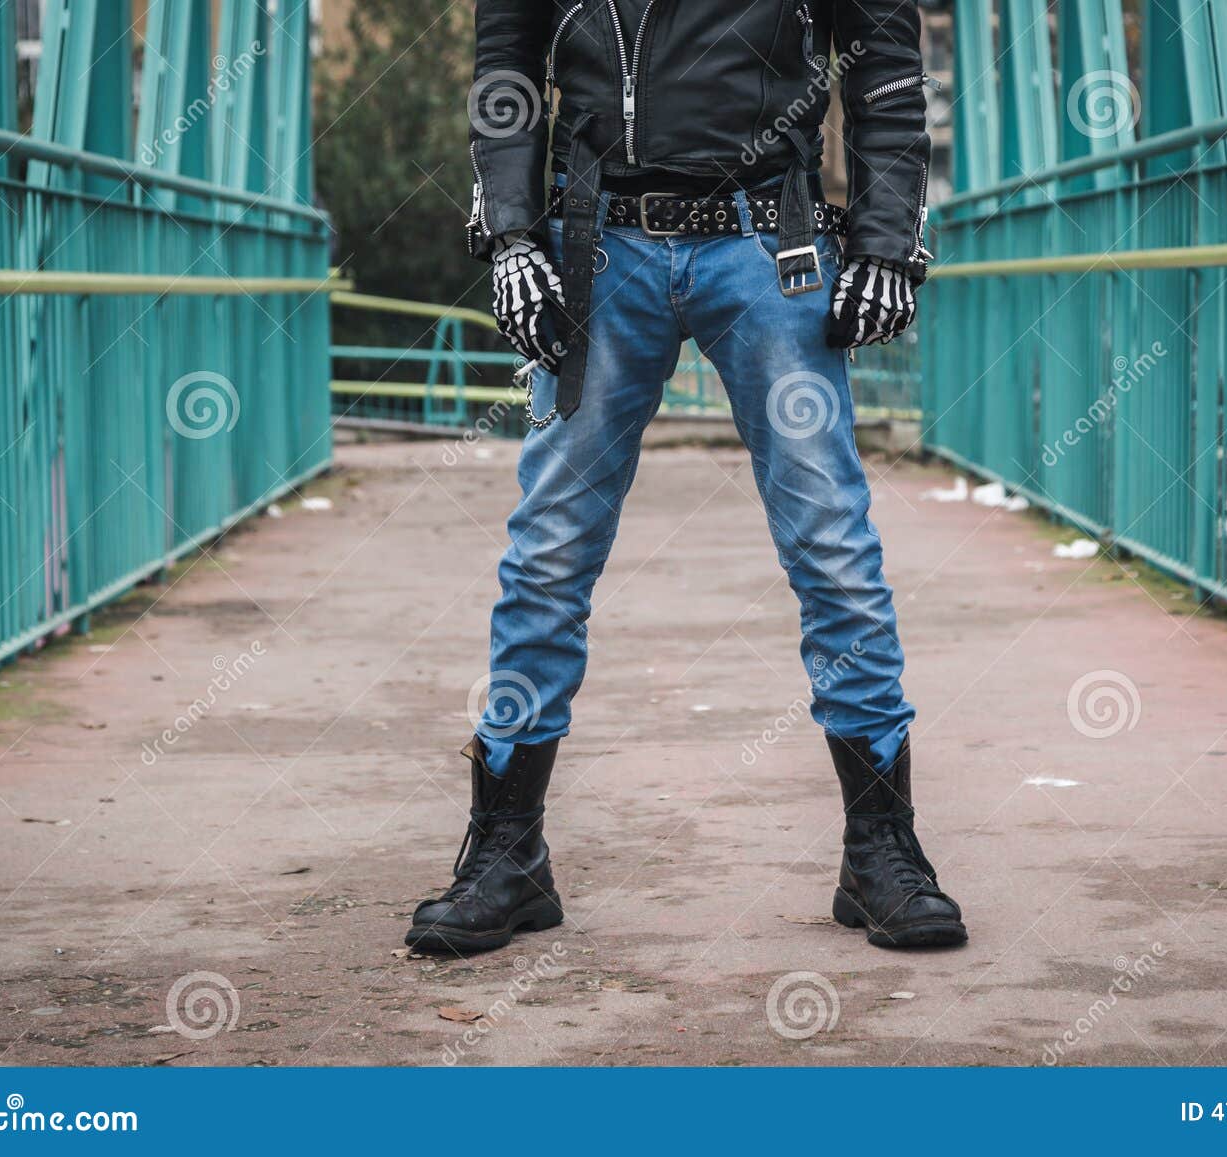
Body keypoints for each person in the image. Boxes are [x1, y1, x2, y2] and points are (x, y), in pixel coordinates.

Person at [407, 0, 965, 955]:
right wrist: (508, 235)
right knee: (548, 551)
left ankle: (882, 848)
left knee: (831, 541)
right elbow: (506, 61)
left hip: (770, 244)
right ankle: (506, 850)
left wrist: (885, 240)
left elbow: (883, 61)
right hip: (595, 243)